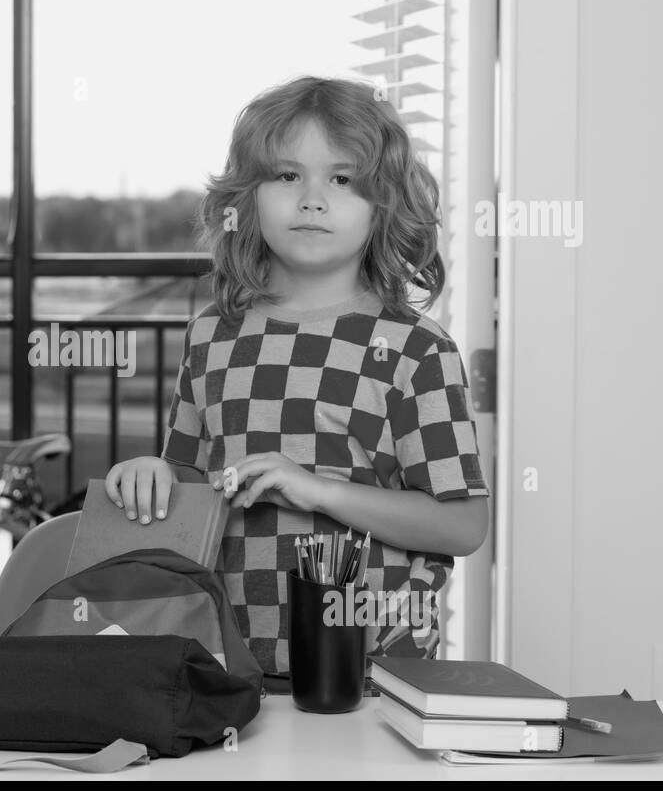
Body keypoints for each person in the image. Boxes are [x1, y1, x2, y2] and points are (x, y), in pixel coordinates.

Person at [105, 76, 490, 691]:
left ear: (382, 204)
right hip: (222, 672)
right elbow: (185, 488)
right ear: (246, 197)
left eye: (342, 179)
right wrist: (149, 475)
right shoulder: (211, 336)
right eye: (287, 176)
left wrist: (314, 491)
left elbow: (462, 525)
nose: (312, 199)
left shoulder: (416, 349)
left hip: (373, 674)